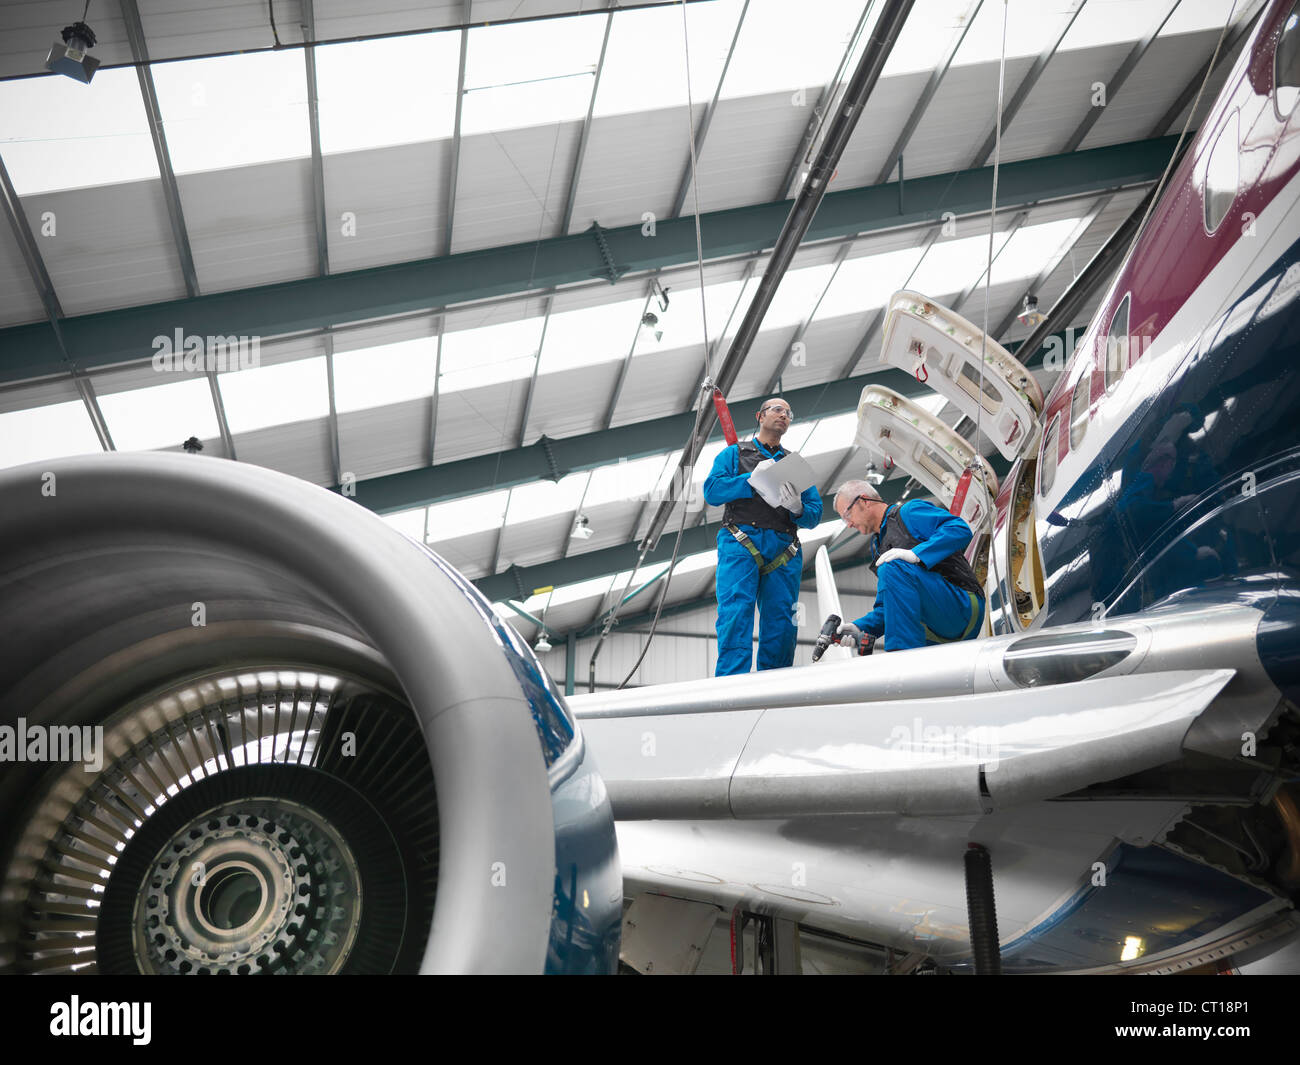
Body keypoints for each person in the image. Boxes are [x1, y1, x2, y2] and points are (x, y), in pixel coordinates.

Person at [703, 398, 823, 676]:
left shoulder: (795, 465)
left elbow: (815, 514)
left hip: (784, 549)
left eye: (789, 412)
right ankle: (730, 687)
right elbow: (712, 491)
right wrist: (748, 481)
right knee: (735, 612)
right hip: (741, 541)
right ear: (760, 416)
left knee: (781, 620)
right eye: (778, 409)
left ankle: (775, 688)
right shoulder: (734, 455)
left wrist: (798, 508)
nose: (784, 415)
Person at [832, 479, 985, 652]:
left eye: (847, 516)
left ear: (864, 501)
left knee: (892, 566)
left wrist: (917, 554)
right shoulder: (878, 548)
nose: (849, 524)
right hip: (932, 626)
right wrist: (860, 627)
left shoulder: (908, 513)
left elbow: (959, 528)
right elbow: (894, 604)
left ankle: (900, 656)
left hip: (962, 607)